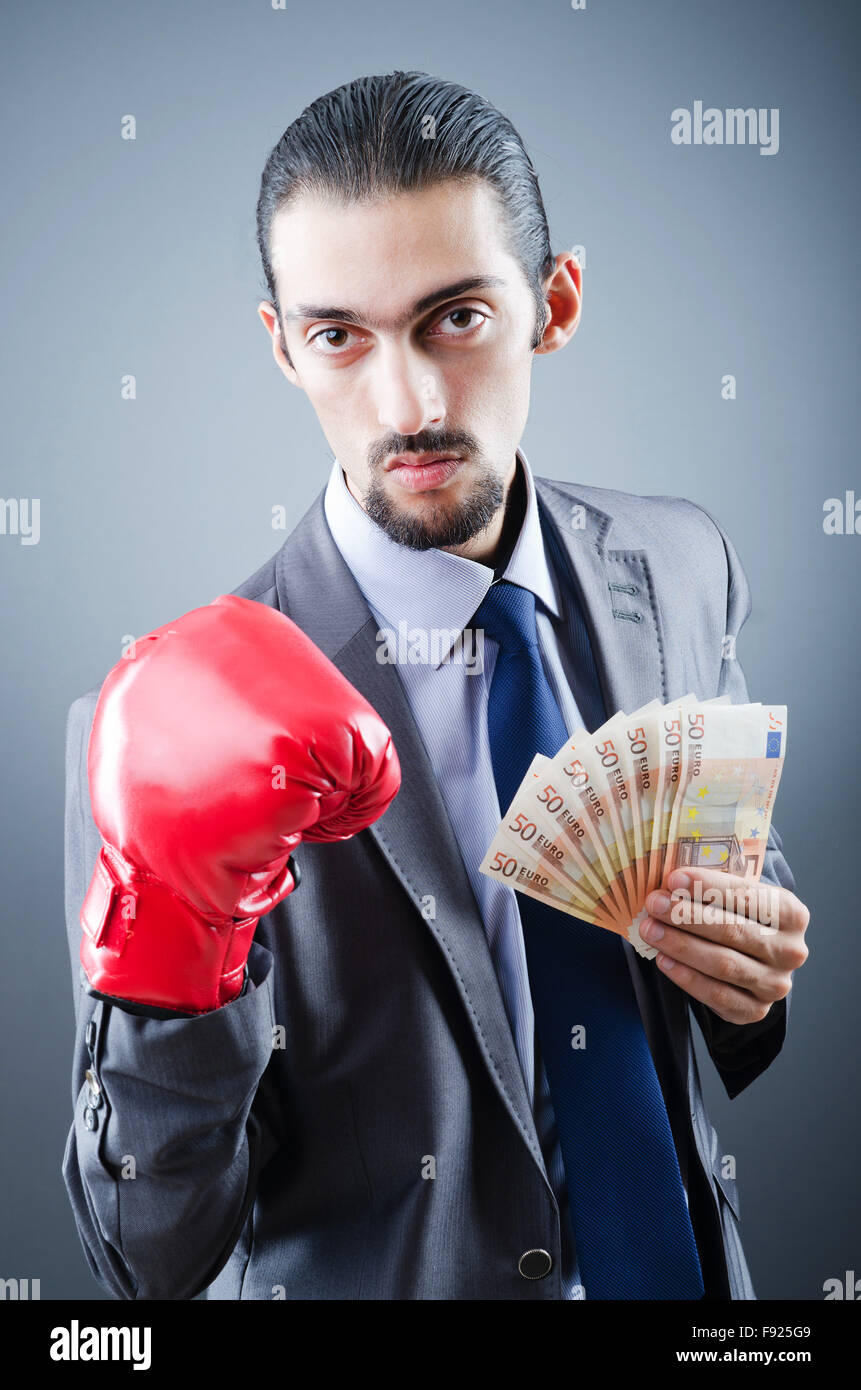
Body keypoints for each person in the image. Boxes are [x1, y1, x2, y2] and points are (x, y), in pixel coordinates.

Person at [62, 70, 810, 1301]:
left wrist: (751, 962)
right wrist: (173, 947)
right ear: (282, 347)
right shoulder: (151, 729)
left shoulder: (682, 565)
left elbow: (738, 894)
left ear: (553, 303)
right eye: (339, 334)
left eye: (456, 317)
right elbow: (149, 1257)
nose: (407, 404)